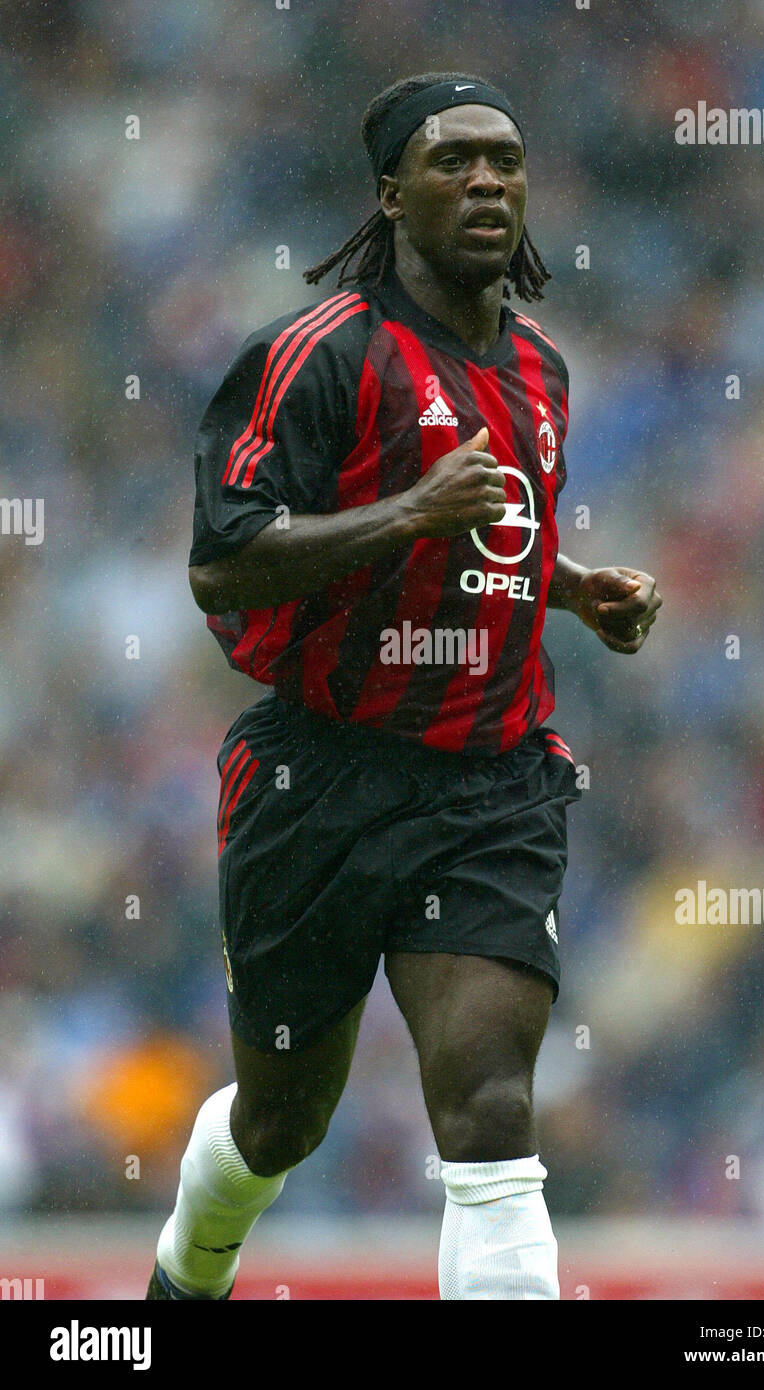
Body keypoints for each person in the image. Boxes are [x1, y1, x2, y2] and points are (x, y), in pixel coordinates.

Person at [147, 70, 661, 1302]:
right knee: (281, 1125)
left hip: (491, 784)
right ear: (390, 193)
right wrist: (413, 510)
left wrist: (573, 585)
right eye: (452, 161)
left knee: (488, 1109)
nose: (486, 180)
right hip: (316, 780)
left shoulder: (540, 369)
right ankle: (181, 1285)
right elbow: (224, 562)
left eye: (505, 160)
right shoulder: (318, 355)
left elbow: (485, 535)